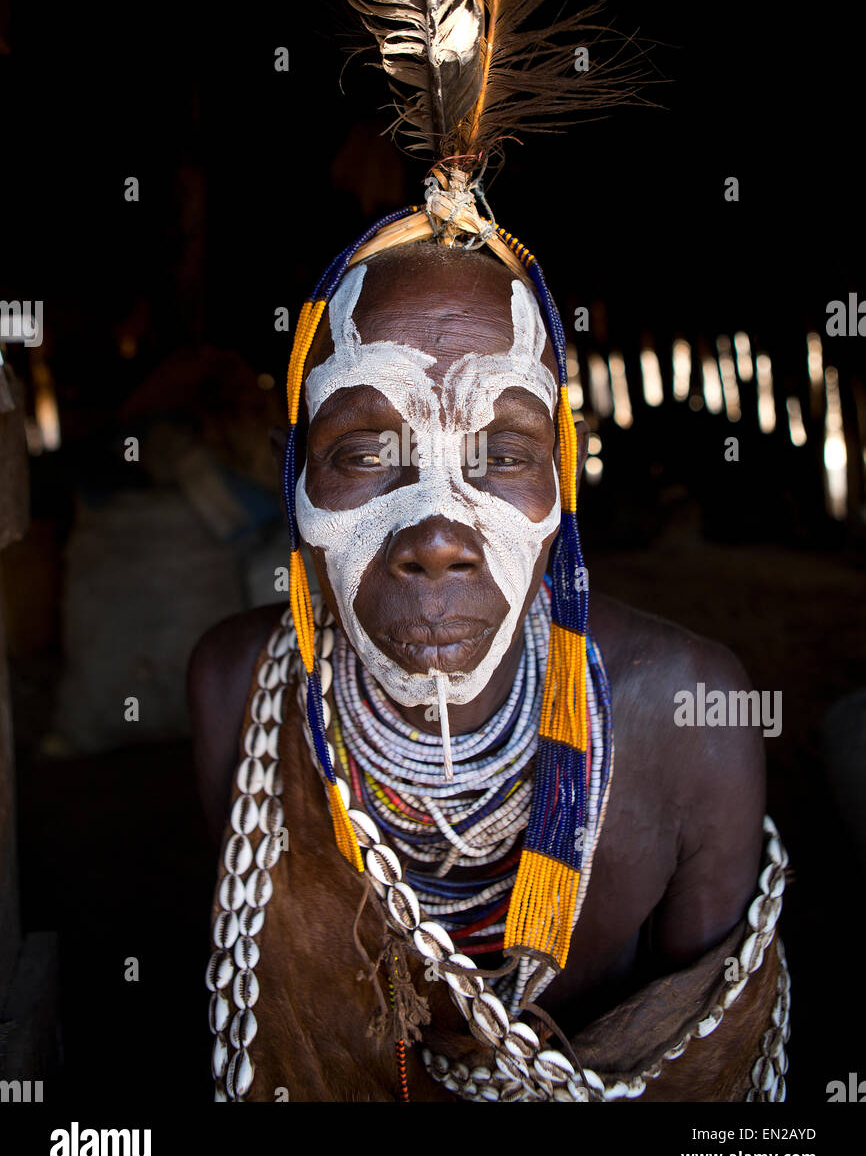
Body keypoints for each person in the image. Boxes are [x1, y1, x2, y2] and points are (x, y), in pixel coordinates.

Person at [189, 235, 789, 1103]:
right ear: (298, 486)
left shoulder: (689, 716)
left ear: (560, 486)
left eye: (501, 454)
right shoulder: (239, 689)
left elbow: (712, 1077)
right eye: (363, 454)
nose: (436, 539)